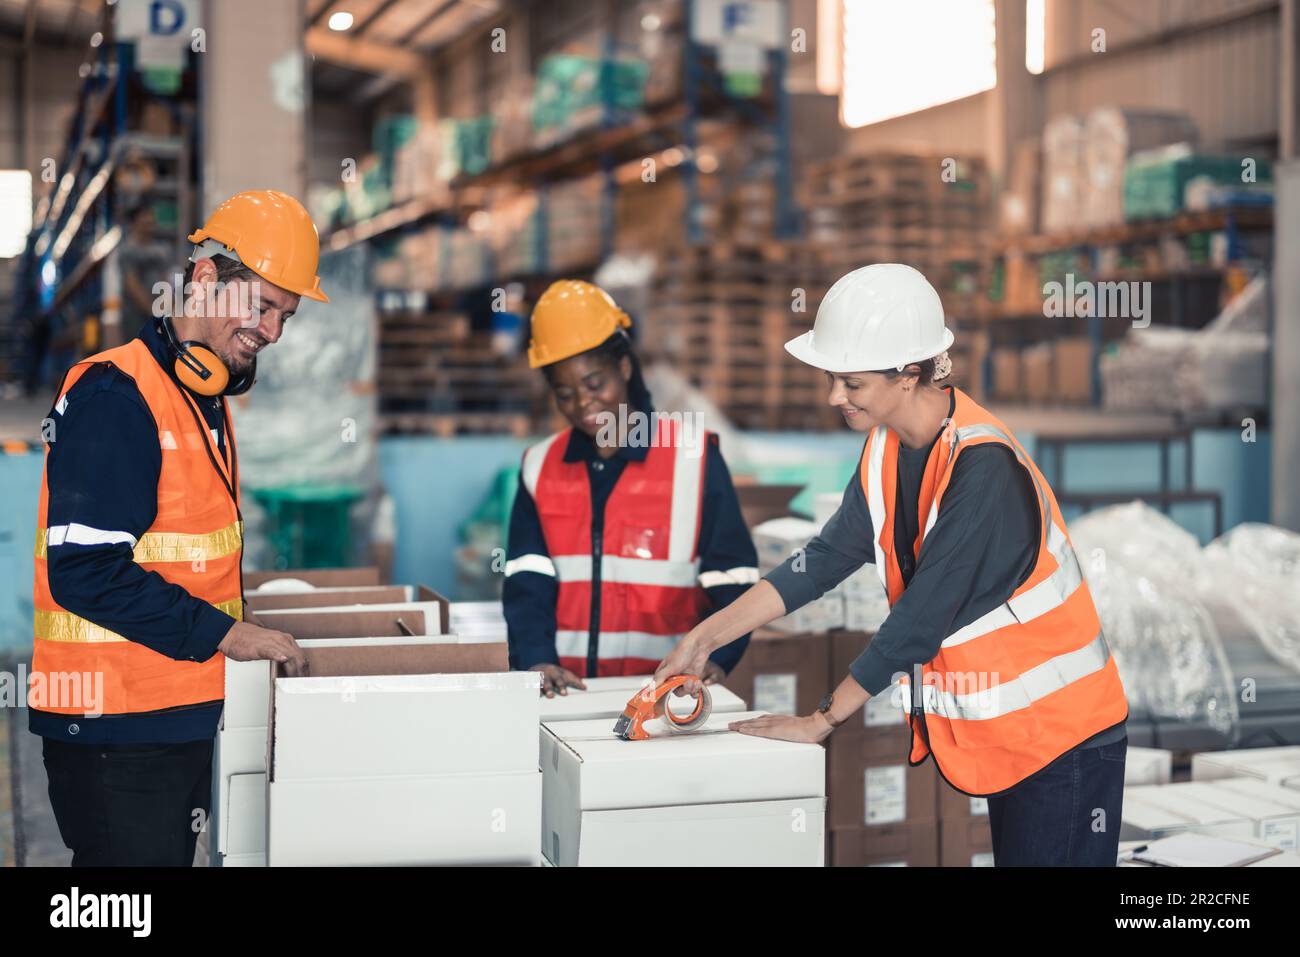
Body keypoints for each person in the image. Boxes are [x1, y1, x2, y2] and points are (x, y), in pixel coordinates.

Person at [655, 264, 1129, 866]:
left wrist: (820, 721)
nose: (834, 397)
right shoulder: (886, 446)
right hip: (1014, 733)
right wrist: (706, 636)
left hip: (1067, 736)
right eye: (832, 379)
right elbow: (822, 559)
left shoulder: (984, 469)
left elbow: (918, 621)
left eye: (850, 383)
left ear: (908, 375)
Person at [29, 190, 327, 866]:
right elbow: (85, 570)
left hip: (171, 713)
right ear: (203, 280)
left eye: (286, 315)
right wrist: (229, 632)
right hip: (114, 727)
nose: (274, 333)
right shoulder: (115, 395)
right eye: (262, 305)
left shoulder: (203, 401)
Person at [504, 279, 757, 696]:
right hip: (568, 697)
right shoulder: (539, 466)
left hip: (667, 695)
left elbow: (733, 576)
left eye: (593, 384)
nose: (583, 405)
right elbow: (526, 580)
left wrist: (719, 655)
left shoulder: (694, 457)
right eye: (564, 394)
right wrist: (536, 659)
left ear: (623, 368)